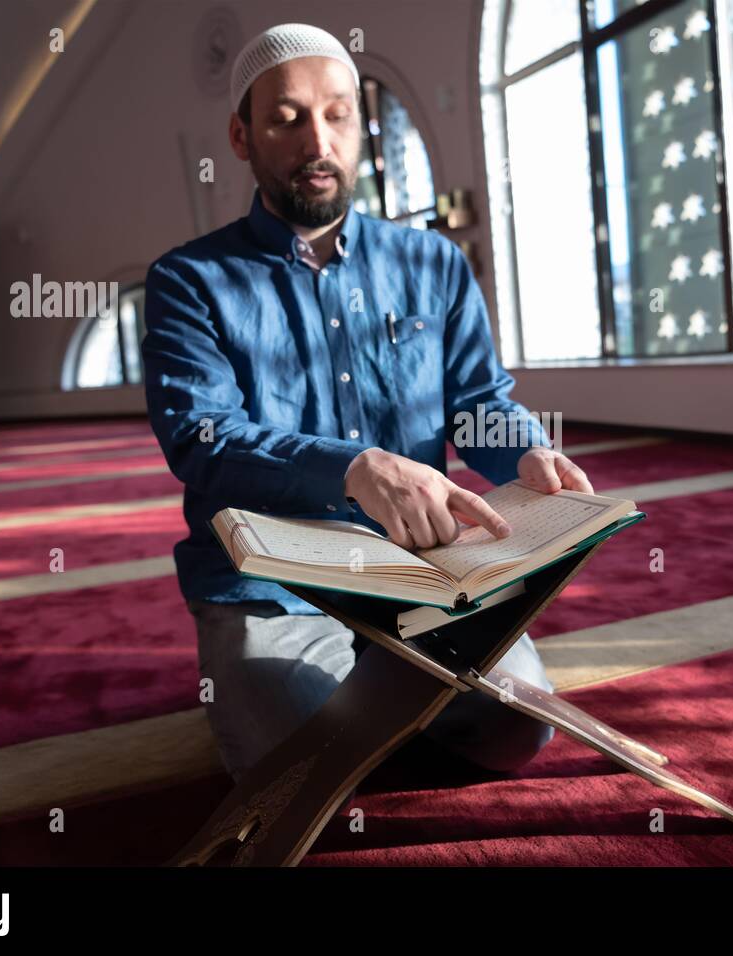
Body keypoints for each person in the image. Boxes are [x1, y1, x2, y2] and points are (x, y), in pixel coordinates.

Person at [142, 23, 593, 784]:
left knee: (517, 729)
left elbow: (477, 400)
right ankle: (372, 718)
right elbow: (203, 439)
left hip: (420, 567)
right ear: (242, 135)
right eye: (286, 117)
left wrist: (525, 449)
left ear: (361, 122)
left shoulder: (434, 263)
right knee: (291, 760)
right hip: (274, 583)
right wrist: (354, 469)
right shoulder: (188, 282)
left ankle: (383, 719)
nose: (317, 139)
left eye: (338, 112)